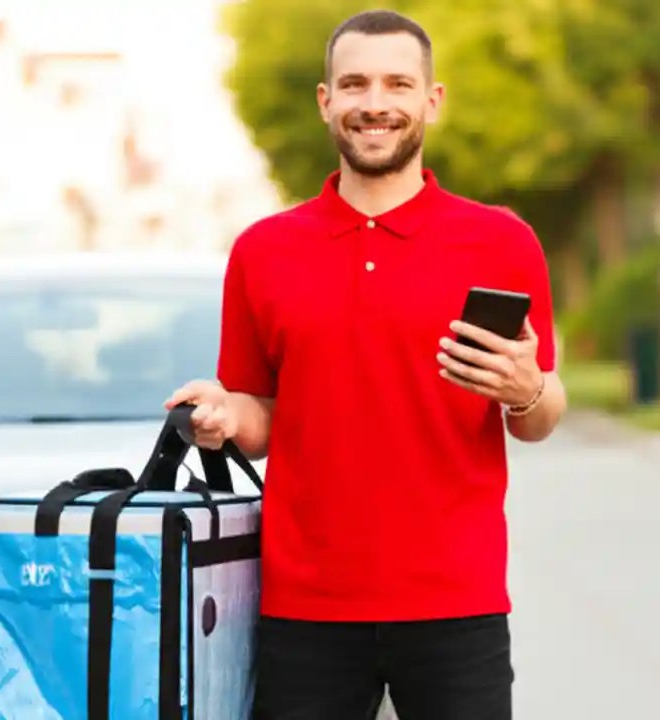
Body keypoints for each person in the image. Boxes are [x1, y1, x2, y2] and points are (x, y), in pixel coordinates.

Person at [165, 9, 566, 719]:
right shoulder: (263, 251)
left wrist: (528, 389)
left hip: (456, 601)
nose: (375, 103)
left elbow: (538, 417)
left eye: (396, 84)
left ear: (430, 101)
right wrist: (227, 415)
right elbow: (263, 415)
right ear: (327, 102)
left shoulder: (501, 241)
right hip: (304, 606)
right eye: (354, 84)